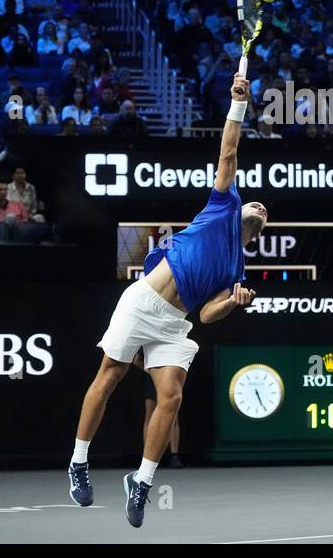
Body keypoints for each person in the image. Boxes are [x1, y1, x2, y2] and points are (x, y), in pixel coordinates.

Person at [68, 73, 267, 527]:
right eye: (253, 202)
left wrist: (234, 302)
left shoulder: (237, 270)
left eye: (263, 210)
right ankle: (79, 461)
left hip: (176, 325)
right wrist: (237, 105)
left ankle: (141, 482)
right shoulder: (223, 206)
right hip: (142, 303)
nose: (257, 206)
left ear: (261, 231)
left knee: (171, 398)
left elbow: (209, 315)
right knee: (111, 373)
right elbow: (229, 151)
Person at [132, 352, 184, 469]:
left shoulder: (173, 343)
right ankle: (148, 456)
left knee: (173, 417)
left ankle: (174, 455)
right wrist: (151, 371)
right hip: (152, 380)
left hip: (170, 380)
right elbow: (136, 360)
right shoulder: (148, 344)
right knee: (149, 417)